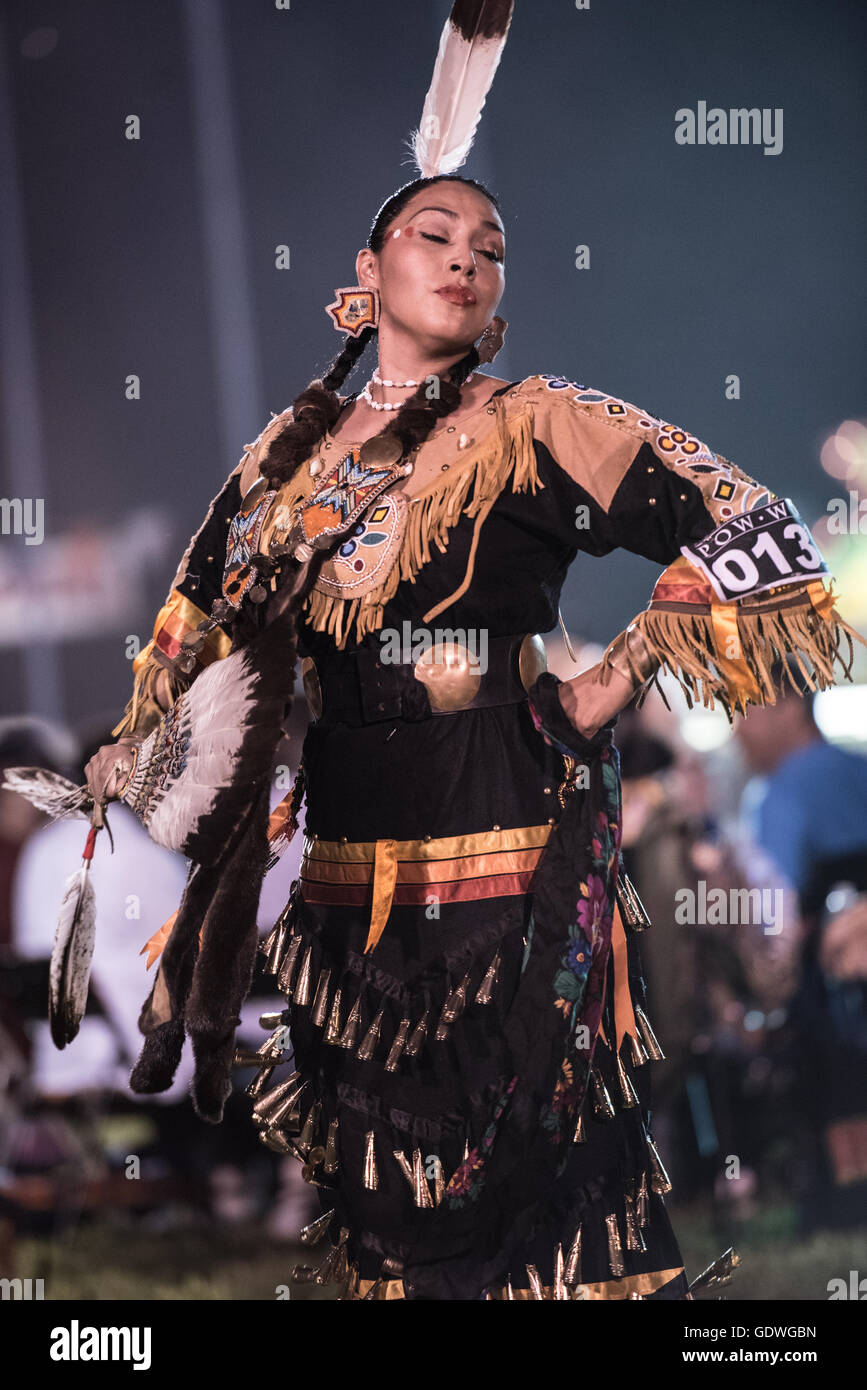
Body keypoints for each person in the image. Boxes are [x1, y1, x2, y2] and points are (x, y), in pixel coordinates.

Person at [79, 168, 862, 1300]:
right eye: (433, 235)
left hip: (511, 844)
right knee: (389, 1208)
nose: (464, 259)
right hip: (346, 883)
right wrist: (144, 734)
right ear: (366, 277)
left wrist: (623, 672)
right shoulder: (287, 462)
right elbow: (193, 625)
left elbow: (756, 519)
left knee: (536, 1178)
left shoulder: (535, 422)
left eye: (488, 249)